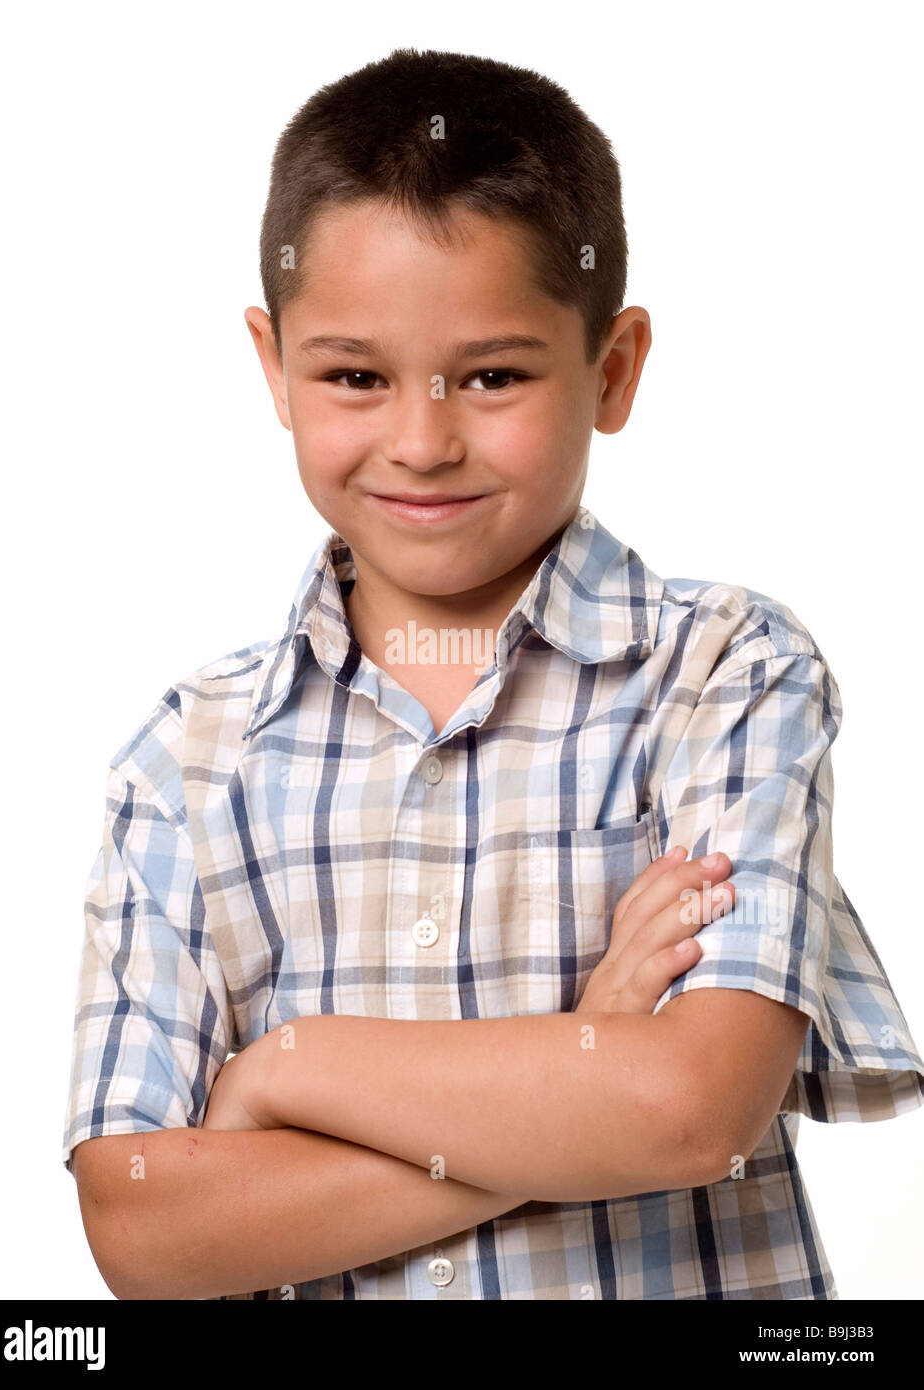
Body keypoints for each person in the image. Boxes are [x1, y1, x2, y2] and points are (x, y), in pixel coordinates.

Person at [62, 47, 924, 1301]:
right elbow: (144, 1229)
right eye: (355, 376)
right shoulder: (186, 761)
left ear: (613, 369)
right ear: (273, 366)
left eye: (494, 375)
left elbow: (689, 1110)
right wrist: (588, 1065)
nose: (420, 439)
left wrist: (288, 1070)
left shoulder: (725, 674)